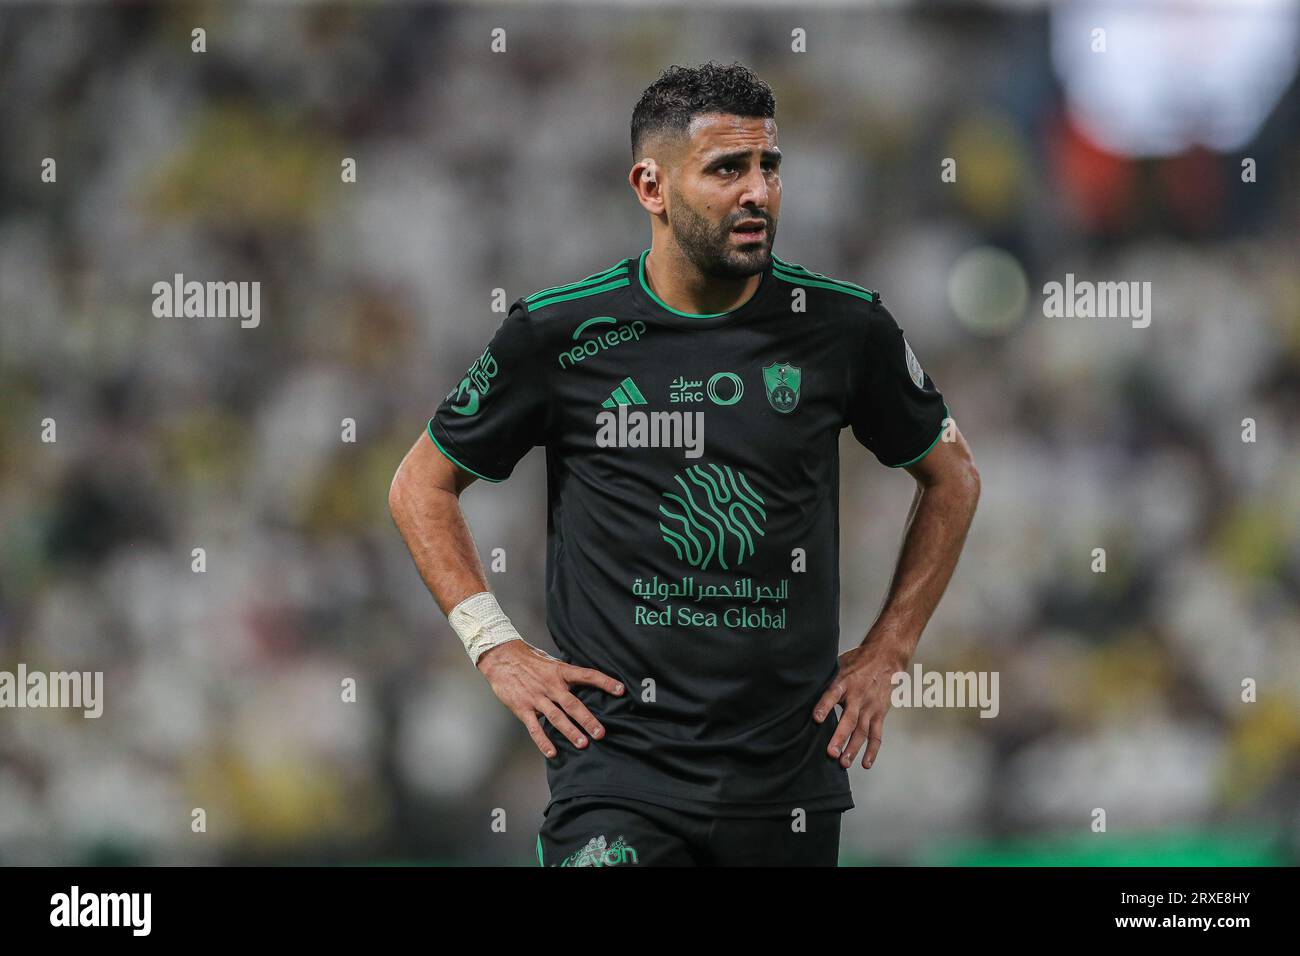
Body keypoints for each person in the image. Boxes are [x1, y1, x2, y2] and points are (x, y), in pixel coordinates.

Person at [389, 61, 980, 867]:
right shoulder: (560, 333)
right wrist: (495, 644)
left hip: (788, 782)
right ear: (651, 186)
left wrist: (890, 650)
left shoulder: (844, 328)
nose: (758, 193)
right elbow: (420, 483)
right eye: (727, 169)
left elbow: (953, 476)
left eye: (770, 167)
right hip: (619, 775)